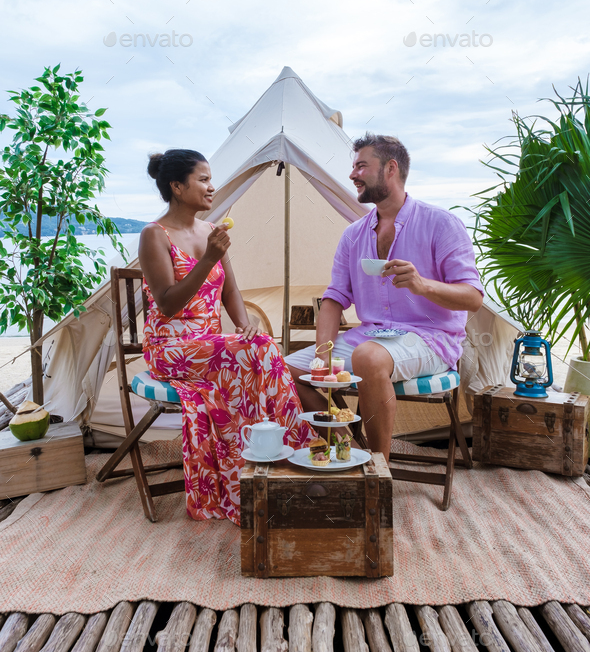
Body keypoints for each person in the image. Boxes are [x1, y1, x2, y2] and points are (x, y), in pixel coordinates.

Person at [138, 149, 315, 526]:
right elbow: (167, 304)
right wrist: (206, 260)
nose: (211, 186)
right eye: (202, 179)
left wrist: (244, 322)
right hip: (170, 348)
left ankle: (274, 463)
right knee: (262, 352)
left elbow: (231, 292)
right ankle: (286, 459)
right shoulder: (154, 235)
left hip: (211, 347)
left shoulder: (211, 232)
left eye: (210, 178)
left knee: (259, 346)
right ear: (176, 186)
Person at [285, 133, 484, 459]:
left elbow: (473, 297)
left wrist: (423, 285)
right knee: (278, 368)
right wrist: (323, 352)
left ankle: (379, 469)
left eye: (361, 166)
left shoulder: (442, 224)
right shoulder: (353, 235)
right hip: (369, 338)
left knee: (368, 356)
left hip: (430, 338)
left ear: (391, 169)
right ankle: (346, 443)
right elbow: (335, 296)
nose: (352, 175)